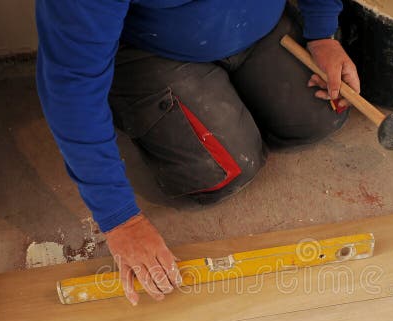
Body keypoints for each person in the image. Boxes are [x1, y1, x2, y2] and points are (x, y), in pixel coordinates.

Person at [36, 0, 360, 305]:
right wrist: (120, 220)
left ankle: (231, 90)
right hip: (154, 46)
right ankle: (134, 93)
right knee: (217, 171)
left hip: (257, 22)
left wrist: (322, 32)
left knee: (319, 116)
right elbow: (71, 86)